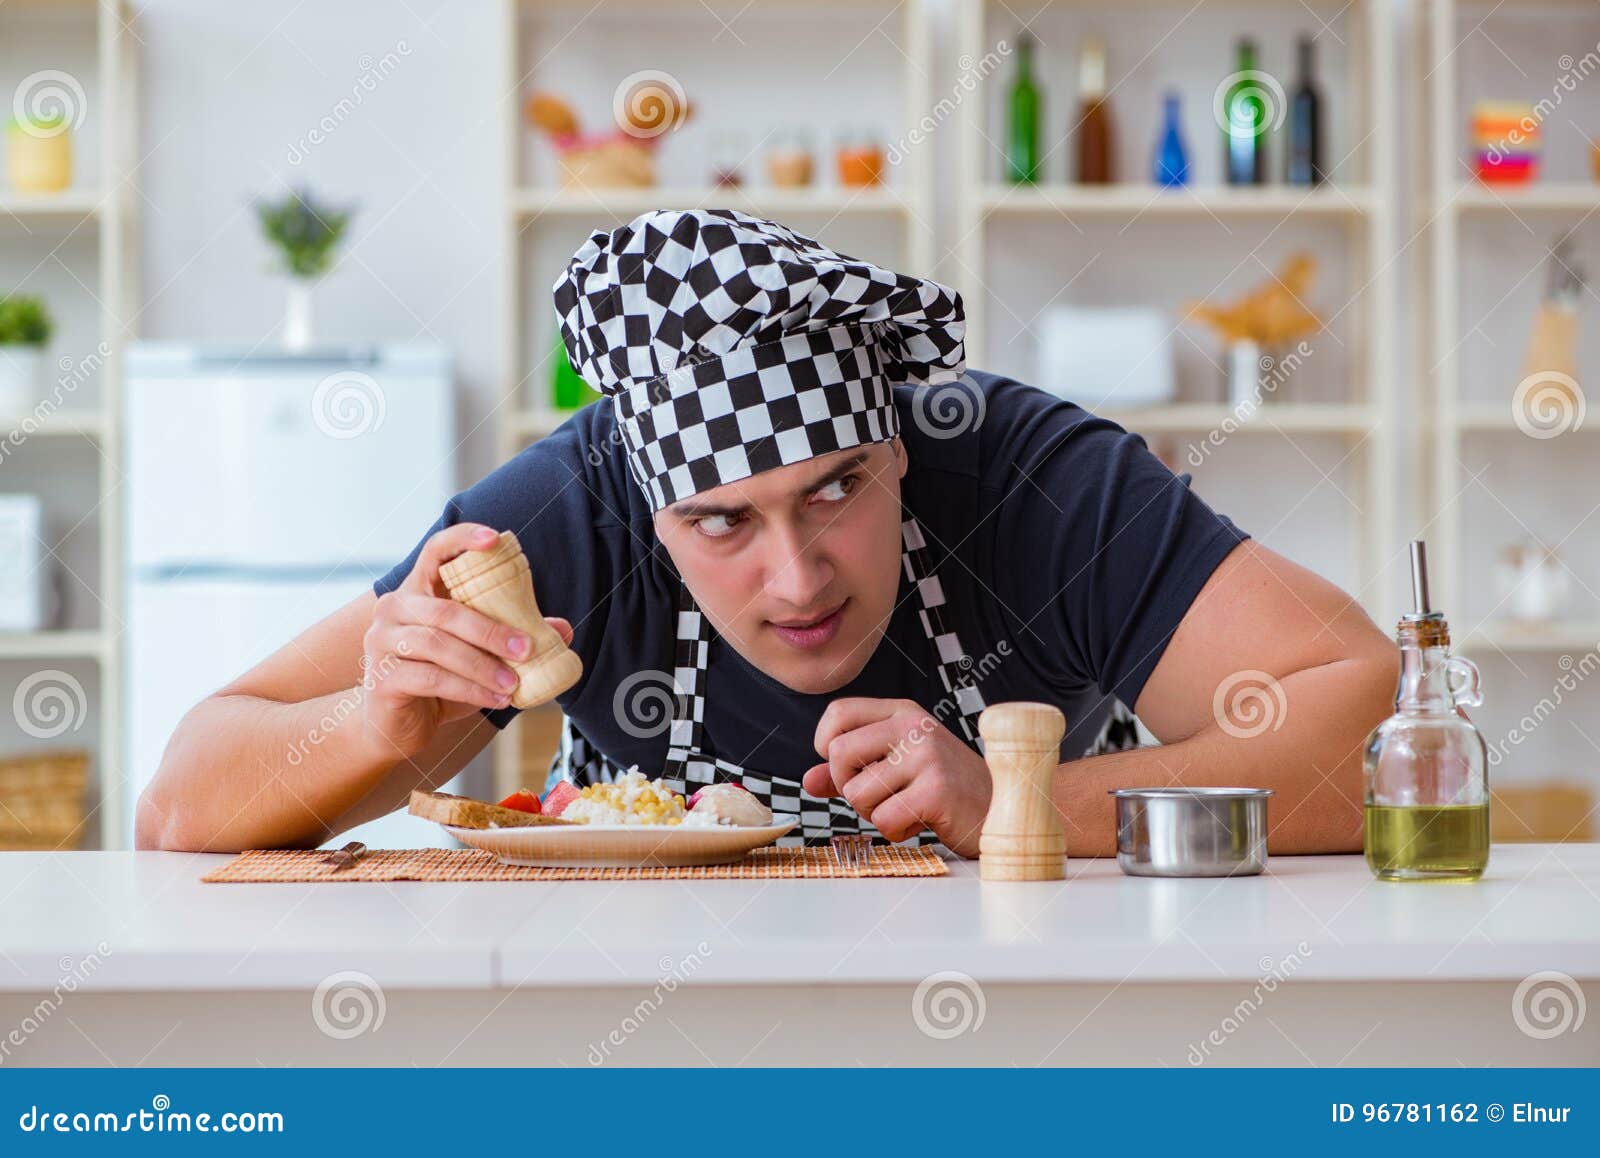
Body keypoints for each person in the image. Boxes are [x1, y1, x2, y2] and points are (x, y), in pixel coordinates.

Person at [138, 209, 1396, 855]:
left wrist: (1020, 804)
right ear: (647, 506)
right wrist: (372, 727)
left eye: (838, 490)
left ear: (898, 447)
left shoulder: (1033, 481)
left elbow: (1368, 725)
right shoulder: (564, 512)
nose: (796, 580)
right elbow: (177, 810)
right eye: (720, 521)